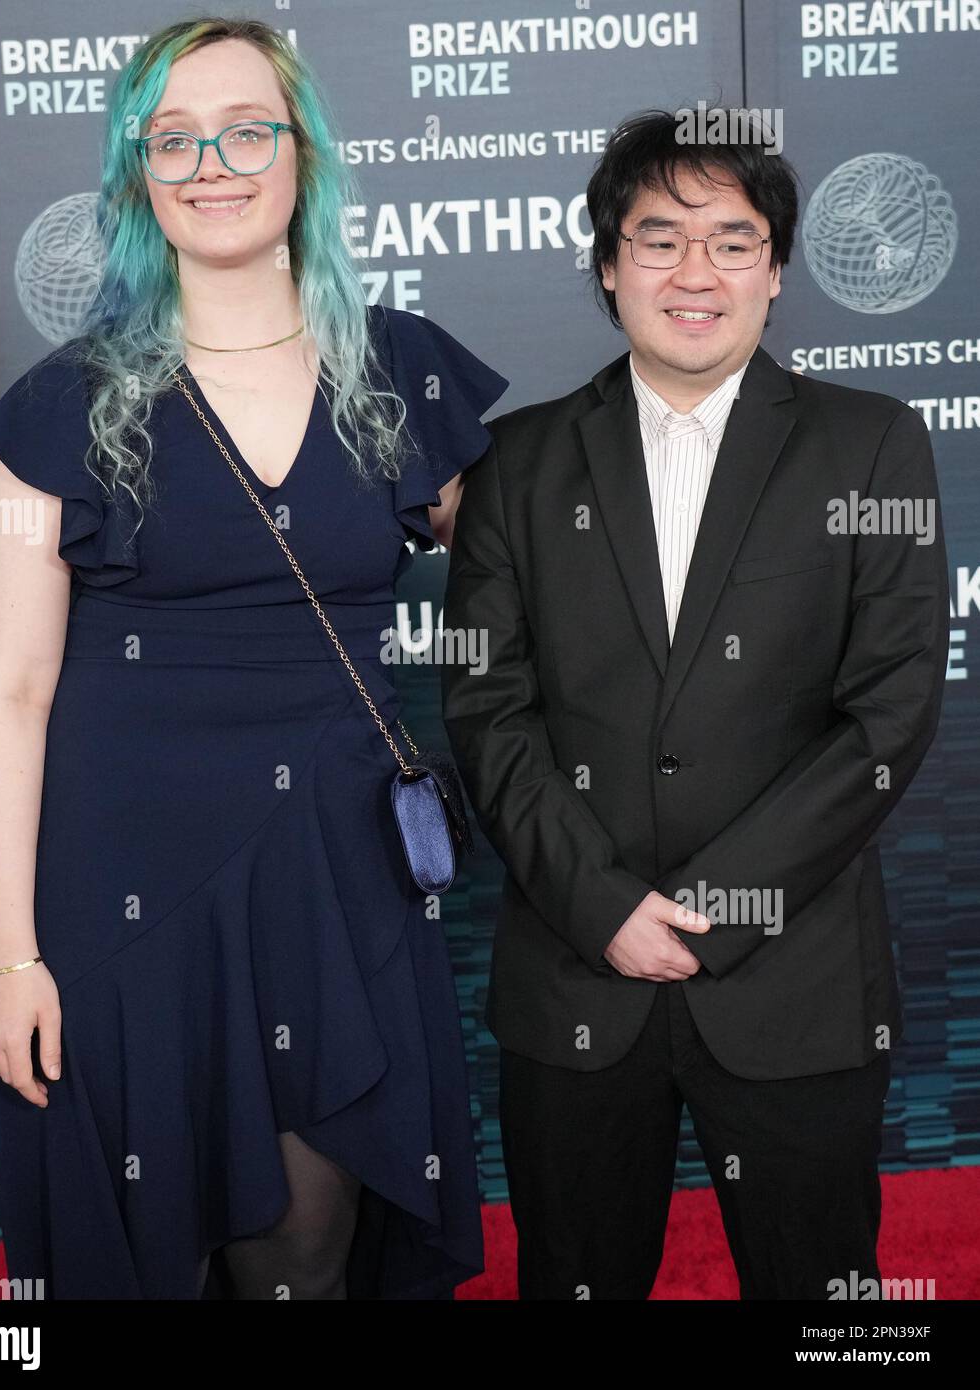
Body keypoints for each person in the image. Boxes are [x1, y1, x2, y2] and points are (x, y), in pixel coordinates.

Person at [0, 16, 507, 1300]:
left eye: (246, 128)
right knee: (143, 1247)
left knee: (305, 1250)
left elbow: (542, 584)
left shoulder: (403, 371)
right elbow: (7, 695)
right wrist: (8, 955)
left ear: (303, 154)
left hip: (333, 878)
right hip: (119, 897)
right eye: (174, 139)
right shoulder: (59, 406)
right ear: (136, 174)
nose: (213, 162)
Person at [440, 108, 949, 1300]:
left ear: (775, 268)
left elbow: (887, 713)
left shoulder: (869, 447)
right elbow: (483, 704)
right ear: (605, 264)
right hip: (575, 977)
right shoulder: (513, 463)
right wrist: (605, 905)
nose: (694, 273)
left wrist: (713, 908)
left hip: (794, 984)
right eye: (657, 238)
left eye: (731, 240)